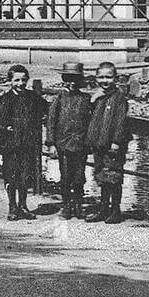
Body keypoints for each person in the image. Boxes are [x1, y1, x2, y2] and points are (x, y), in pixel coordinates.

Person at [0, 65, 47, 221]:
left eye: (23, 80)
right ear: (10, 81)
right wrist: (6, 128)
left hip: (27, 144)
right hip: (10, 145)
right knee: (11, 176)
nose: (20, 83)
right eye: (16, 80)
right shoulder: (5, 99)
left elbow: (47, 108)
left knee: (25, 176)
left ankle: (23, 206)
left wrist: (43, 119)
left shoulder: (33, 97)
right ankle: (12, 207)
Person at [85, 62, 131, 224]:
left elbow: (120, 122)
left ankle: (115, 210)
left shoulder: (119, 98)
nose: (104, 80)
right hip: (99, 143)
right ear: (96, 78)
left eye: (108, 77)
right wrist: (92, 100)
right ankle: (103, 208)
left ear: (115, 78)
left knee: (114, 175)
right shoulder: (98, 97)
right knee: (101, 175)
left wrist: (116, 142)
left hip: (112, 145)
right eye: (101, 77)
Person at [45, 62, 91, 219]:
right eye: (69, 79)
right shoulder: (59, 98)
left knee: (79, 177)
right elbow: (51, 121)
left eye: (76, 79)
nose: (72, 83)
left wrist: (89, 141)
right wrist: (51, 144)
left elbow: (90, 122)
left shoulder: (85, 99)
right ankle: (66, 206)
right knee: (65, 177)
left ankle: (79, 206)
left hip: (80, 144)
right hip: (63, 144)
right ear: (64, 79)